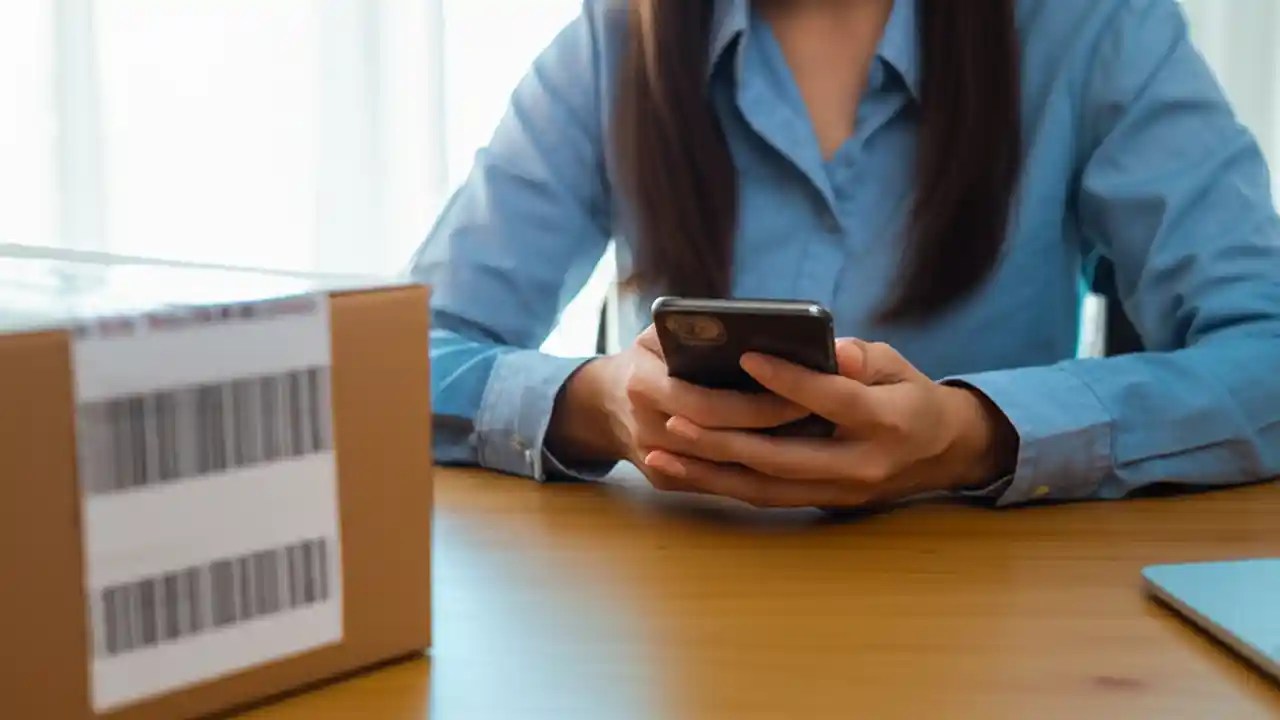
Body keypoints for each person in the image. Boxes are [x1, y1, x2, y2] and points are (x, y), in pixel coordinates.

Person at [410, 0, 1280, 508]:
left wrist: (978, 436)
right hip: (674, 613)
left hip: (991, 623)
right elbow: (398, 355)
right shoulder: (616, 39)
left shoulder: (1094, 28)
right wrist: (593, 404)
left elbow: (1266, 348)